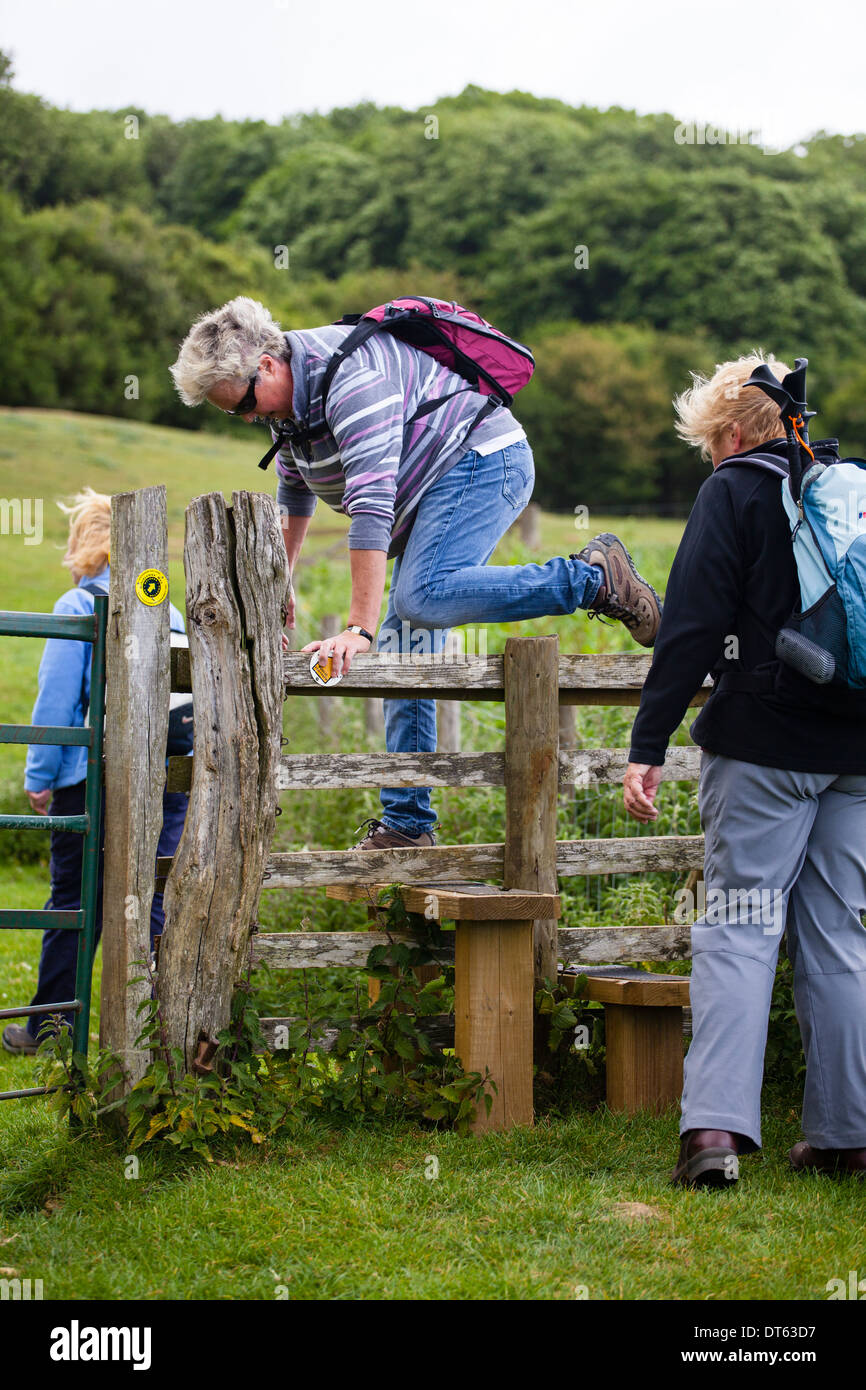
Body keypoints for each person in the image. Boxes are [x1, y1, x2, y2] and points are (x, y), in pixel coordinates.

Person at [170, 296, 662, 849]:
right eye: (234, 415)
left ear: (266, 363)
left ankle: (593, 578)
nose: (249, 419)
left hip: (482, 459)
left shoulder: (351, 382)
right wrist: (280, 582)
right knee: (403, 645)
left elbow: (372, 506)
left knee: (419, 599)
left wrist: (356, 628)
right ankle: (408, 825)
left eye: (244, 406)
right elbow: (294, 490)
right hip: (432, 493)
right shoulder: (287, 408)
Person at [623, 352, 866, 1188]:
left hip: (765, 747)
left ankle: (716, 1139)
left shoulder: (733, 488)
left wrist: (648, 745)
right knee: (841, 939)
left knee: (739, 927)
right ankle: (847, 1137)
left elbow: (689, 624)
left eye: (707, 443)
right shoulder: (842, 491)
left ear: (729, 433)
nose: (708, 458)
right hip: (858, 754)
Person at [2, 488, 190, 1056]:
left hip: (92, 774)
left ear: (86, 542)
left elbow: (58, 702)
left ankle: (51, 1029)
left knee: (74, 898)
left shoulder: (79, 607)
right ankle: (161, 1025)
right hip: (166, 772)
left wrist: (41, 774)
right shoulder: (169, 610)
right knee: (155, 892)